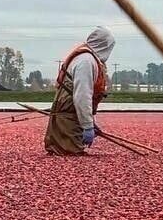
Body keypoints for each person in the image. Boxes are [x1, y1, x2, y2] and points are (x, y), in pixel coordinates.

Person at [44, 26, 115, 155]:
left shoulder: (88, 59)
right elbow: (82, 96)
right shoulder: (86, 62)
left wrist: (90, 122)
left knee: (66, 152)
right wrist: (87, 126)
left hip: (71, 112)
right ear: (104, 46)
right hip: (68, 112)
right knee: (68, 152)